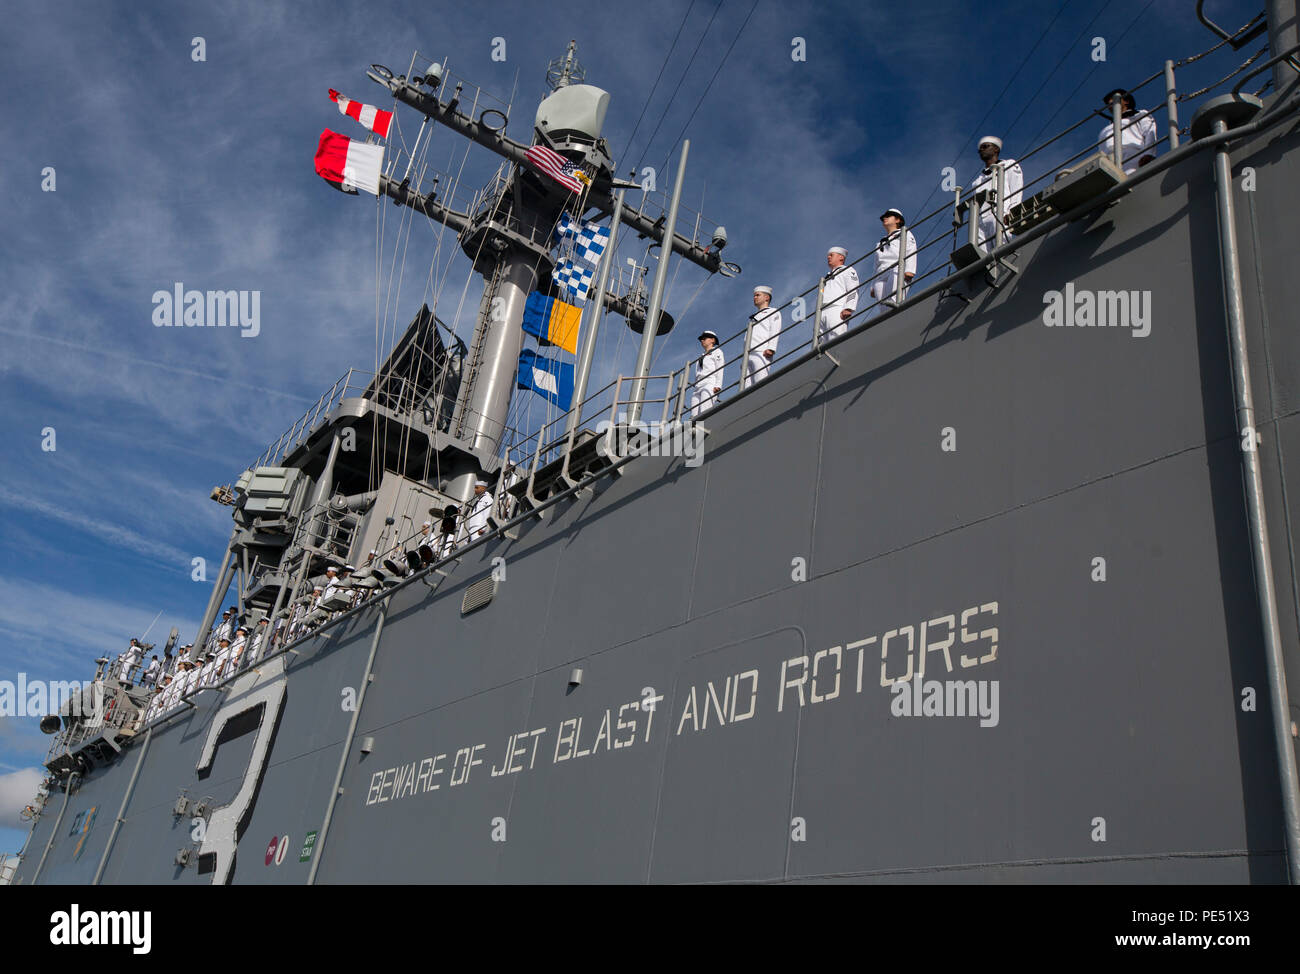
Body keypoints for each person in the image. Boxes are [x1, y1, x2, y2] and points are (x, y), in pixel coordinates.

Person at [970, 136, 1023, 247]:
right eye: (980, 149)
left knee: (1001, 248)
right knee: (981, 257)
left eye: (985, 146)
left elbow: (1016, 189)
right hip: (980, 222)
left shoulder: (1008, 165)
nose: (981, 150)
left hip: (1000, 213)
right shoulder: (977, 181)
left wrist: (1012, 212)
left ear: (996, 149)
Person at [869, 208, 918, 314]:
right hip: (881, 274)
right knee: (883, 308)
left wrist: (910, 270)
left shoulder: (904, 233)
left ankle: (896, 315)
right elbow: (875, 265)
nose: (885, 218)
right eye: (883, 218)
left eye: (888, 216)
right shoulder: (880, 243)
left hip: (897, 268)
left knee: (895, 300)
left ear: (897, 220)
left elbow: (911, 249)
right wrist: (872, 285)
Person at [1099, 88, 1157, 175]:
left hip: (1133, 157)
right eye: (1108, 102)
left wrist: (1149, 153)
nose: (1110, 102)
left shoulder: (1139, 114)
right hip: (1109, 163)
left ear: (1126, 101)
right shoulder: (1105, 130)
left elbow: (1149, 133)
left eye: (1113, 98)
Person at [744, 287, 781, 389]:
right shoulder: (754, 317)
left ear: (766, 297)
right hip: (749, 354)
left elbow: (775, 329)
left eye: (757, 295)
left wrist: (771, 348)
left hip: (762, 351)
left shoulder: (772, 311)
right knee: (745, 387)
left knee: (760, 382)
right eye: (754, 295)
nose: (755, 298)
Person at [819, 247, 859, 341]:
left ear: (841, 257)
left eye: (831, 255)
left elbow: (853, 288)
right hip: (822, 311)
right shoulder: (825, 278)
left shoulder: (847, 270)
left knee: (835, 338)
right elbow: (821, 295)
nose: (828, 257)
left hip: (836, 308)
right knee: (820, 343)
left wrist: (848, 307)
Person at [690, 330, 725, 418]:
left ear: (713, 340)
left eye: (704, 338)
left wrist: (718, 385)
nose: (702, 340)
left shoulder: (717, 351)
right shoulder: (701, 356)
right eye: (701, 339)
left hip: (710, 382)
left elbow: (720, 368)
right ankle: (691, 431)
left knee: (705, 410)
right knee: (693, 414)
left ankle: (702, 430)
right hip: (698, 385)